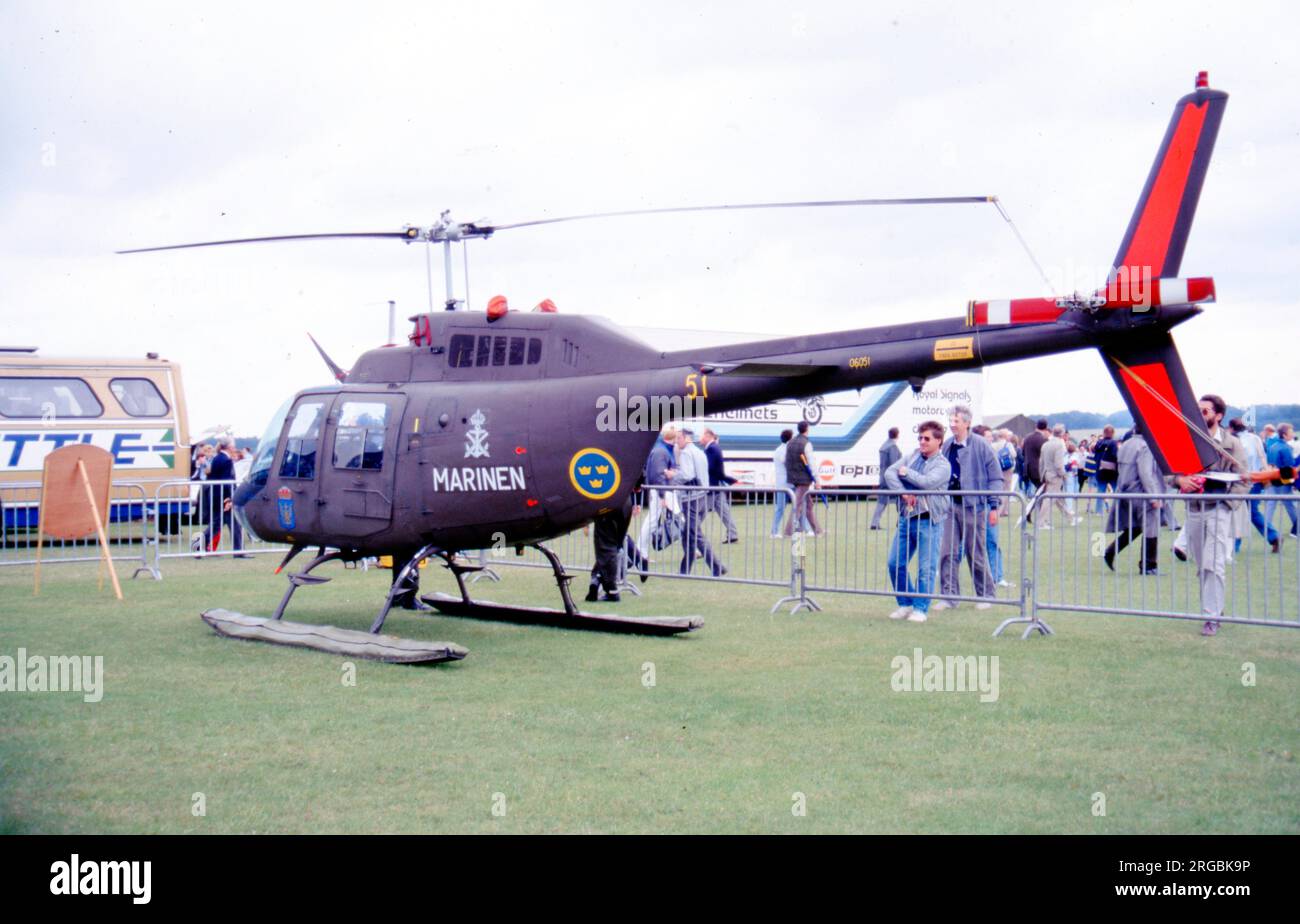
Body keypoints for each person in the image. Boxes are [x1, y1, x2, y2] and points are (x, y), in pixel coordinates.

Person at [1173, 394, 1249, 637]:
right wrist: (1180, 480)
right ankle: (1214, 608)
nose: (1199, 414)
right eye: (1197, 410)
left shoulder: (1232, 443)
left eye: (1204, 411)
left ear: (1218, 415)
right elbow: (1170, 471)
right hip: (1194, 510)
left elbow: (1244, 478)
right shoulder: (1187, 439)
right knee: (1201, 565)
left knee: (1213, 563)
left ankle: (1211, 616)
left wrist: (1227, 503)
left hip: (1218, 509)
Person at [933, 406, 1003, 611]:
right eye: (951, 420)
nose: (952, 424)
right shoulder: (947, 445)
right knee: (947, 553)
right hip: (950, 506)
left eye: (956, 421)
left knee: (976, 553)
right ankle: (949, 597)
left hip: (975, 507)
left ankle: (986, 595)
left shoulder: (981, 445)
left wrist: (994, 505)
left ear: (967, 423)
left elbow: (995, 477)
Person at [882, 420, 952, 623]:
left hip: (929, 521)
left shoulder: (943, 465)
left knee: (926, 568)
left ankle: (921, 609)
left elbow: (927, 482)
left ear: (938, 441)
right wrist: (903, 493)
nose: (922, 441)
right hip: (907, 518)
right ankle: (905, 603)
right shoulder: (911, 455)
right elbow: (889, 473)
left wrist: (907, 472)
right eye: (920, 437)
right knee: (894, 563)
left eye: (926, 438)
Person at [1103, 426, 1163, 574]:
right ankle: (1149, 566)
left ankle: (1111, 551)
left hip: (1125, 491)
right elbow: (1145, 473)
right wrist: (1153, 496)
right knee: (1151, 527)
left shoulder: (1126, 444)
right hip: (1141, 493)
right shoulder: (1145, 446)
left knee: (1136, 528)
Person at [666, 428, 725, 576]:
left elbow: (687, 475)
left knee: (694, 534)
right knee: (689, 534)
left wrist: (673, 476)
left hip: (691, 498)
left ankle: (717, 567)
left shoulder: (686, 453)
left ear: (686, 438)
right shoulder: (700, 452)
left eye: (679, 438)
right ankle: (685, 570)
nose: (676, 441)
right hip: (702, 496)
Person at [1229, 418, 1280, 552]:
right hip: (1256, 479)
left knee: (1240, 512)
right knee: (1251, 511)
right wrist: (1266, 475)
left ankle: (1235, 545)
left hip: (1240, 480)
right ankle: (1273, 536)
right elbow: (1262, 457)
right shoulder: (1255, 438)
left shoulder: (1233, 440)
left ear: (1232, 428)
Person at [196, 435, 244, 556]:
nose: (234, 447)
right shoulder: (226, 460)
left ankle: (238, 551)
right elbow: (227, 481)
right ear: (228, 446)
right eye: (233, 445)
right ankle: (238, 551)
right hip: (223, 497)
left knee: (222, 524)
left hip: (217, 496)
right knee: (225, 524)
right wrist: (231, 498)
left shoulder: (218, 458)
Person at [638, 424, 678, 554]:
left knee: (654, 520)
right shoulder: (662, 451)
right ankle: (641, 550)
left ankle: (641, 551)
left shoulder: (662, 450)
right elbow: (658, 475)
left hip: (662, 490)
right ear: (673, 438)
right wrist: (663, 495)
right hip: (662, 491)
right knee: (654, 521)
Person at [781, 420, 823, 538]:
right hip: (804, 479)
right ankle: (788, 532)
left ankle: (818, 531)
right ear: (807, 429)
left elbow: (785, 460)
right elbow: (811, 463)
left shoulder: (790, 442)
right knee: (798, 505)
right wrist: (817, 480)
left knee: (808, 505)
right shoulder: (806, 443)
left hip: (793, 478)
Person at [699, 428, 739, 543]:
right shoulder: (714, 448)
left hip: (711, 486)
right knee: (724, 512)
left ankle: (688, 532)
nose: (700, 438)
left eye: (701, 436)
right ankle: (732, 534)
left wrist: (728, 479)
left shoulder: (711, 449)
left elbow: (710, 468)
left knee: (701, 512)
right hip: (716, 486)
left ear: (708, 436)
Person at [1264, 423, 1299, 540]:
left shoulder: (1272, 446)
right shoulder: (1286, 448)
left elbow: (1270, 463)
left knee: (1271, 504)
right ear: (1284, 435)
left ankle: (1266, 527)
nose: (1293, 434)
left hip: (1272, 478)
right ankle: (1297, 529)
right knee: (1290, 504)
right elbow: (1290, 467)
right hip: (1283, 480)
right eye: (1291, 432)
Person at [1038, 424, 1076, 528]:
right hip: (1055, 476)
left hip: (1047, 474)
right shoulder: (1059, 445)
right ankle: (1041, 523)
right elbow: (1059, 464)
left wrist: (1042, 475)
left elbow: (1041, 462)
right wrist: (1064, 474)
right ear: (1062, 434)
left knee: (1058, 498)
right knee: (1049, 499)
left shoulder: (1045, 444)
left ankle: (1070, 517)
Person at [870, 427, 902, 530]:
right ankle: (901, 521)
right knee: (901, 499)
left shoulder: (884, 446)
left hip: (883, 477)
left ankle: (874, 523)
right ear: (897, 435)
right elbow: (894, 463)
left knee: (882, 500)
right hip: (891, 478)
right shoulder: (892, 447)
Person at [1092, 425, 1119, 513]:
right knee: (1115, 491)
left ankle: (1099, 511)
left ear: (1104, 432)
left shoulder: (1099, 443)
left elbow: (1095, 457)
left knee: (1100, 490)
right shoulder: (1114, 443)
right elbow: (1115, 456)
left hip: (1100, 471)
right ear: (1113, 433)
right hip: (1112, 472)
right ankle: (1117, 509)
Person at [1021, 418, 1050, 500]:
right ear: (1046, 427)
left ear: (1036, 426)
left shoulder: (1027, 437)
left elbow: (1023, 453)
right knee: (1043, 491)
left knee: (1040, 490)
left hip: (1028, 469)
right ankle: (1035, 506)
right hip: (1038, 470)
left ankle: (1034, 505)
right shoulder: (1043, 439)